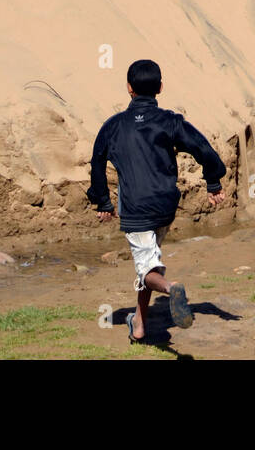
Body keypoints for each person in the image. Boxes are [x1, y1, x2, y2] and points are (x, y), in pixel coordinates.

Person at [87, 59, 228, 342]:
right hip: (165, 207)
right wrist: (213, 181)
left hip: (136, 210)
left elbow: (97, 162)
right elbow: (201, 146)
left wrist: (103, 202)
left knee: (148, 267)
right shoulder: (170, 121)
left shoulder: (113, 126)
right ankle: (139, 324)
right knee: (150, 263)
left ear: (129, 88)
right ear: (160, 88)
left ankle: (171, 287)